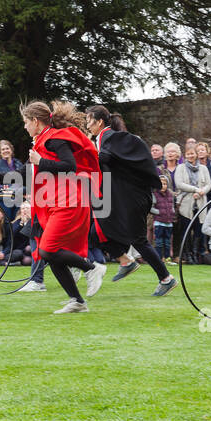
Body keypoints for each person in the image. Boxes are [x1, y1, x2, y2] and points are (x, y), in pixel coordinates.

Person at [0, 101, 106, 313]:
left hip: (69, 201)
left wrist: (41, 161)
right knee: (48, 252)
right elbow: (24, 173)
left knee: (47, 249)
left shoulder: (55, 140)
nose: (25, 127)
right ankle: (78, 301)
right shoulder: (40, 143)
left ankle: (92, 268)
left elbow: (69, 167)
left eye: (26, 122)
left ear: (36, 121)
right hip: (55, 203)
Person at [85, 106, 176, 296]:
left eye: (89, 120)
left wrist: (85, 152)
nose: (87, 125)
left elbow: (105, 158)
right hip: (122, 199)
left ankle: (166, 279)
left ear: (99, 122)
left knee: (139, 240)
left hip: (133, 199)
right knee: (95, 232)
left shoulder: (112, 138)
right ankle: (125, 260)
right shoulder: (106, 140)